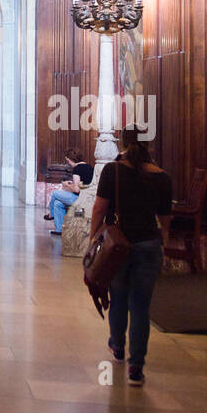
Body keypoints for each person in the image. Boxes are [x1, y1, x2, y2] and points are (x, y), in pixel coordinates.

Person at [90, 127, 173, 386]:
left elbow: (99, 208)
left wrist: (93, 239)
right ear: (150, 144)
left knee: (118, 299)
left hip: (119, 246)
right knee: (141, 306)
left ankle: (117, 345)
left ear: (122, 144)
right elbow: (165, 217)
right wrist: (165, 240)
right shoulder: (162, 177)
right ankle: (136, 367)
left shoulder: (112, 171)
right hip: (148, 245)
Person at [45, 147, 93, 234]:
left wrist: (67, 184)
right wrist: (72, 184)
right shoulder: (89, 166)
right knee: (57, 203)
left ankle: (51, 214)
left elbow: (76, 189)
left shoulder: (77, 169)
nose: (69, 163)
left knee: (55, 193)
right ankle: (60, 230)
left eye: (68, 161)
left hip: (80, 198)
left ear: (71, 159)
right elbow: (84, 182)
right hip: (87, 197)